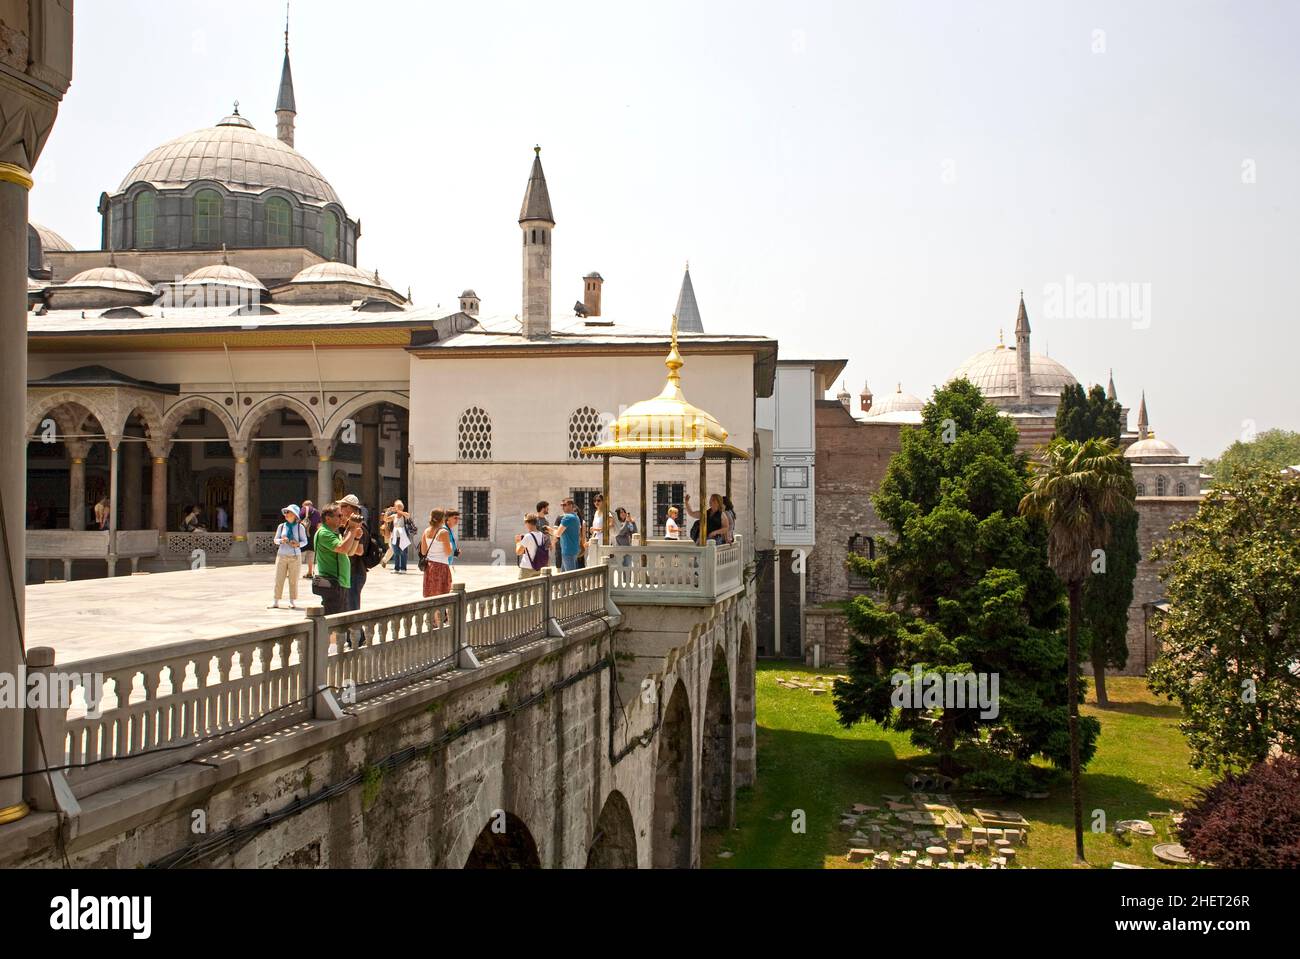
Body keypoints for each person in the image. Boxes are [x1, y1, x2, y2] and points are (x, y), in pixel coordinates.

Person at [311, 502, 358, 617]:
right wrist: (351, 529)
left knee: (341, 624)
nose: (342, 518)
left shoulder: (334, 533)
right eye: (339, 515)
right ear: (328, 518)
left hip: (341, 582)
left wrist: (355, 537)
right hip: (333, 583)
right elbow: (342, 548)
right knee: (334, 624)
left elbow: (350, 552)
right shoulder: (324, 533)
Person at [338, 494, 371, 646]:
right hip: (349, 572)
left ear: (351, 508)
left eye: (343, 506)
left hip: (356, 572)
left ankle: (359, 638)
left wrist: (350, 541)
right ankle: (351, 637)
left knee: (352, 606)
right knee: (347, 605)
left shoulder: (359, 526)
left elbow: (360, 551)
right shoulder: (349, 525)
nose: (340, 509)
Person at [269, 504, 308, 609]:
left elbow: (305, 541)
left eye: (289, 512)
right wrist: (282, 540)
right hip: (282, 555)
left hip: (295, 556)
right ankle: (276, 601)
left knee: (293, 579)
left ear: (294, 515)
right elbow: (275, 540)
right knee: (278, 578)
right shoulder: (281, 526)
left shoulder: (300, 527)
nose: (286, 514)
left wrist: (298, 544)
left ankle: (292, 601)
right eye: (285, 512)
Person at [421, 508, 452, 598]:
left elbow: (423, 551)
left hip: (429, 567)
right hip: (441, 566)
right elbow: (448, 552)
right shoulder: (443, 532)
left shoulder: (426, 531)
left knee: (431, 594)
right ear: (442, 519)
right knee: (442, 595)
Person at [515, 513, 547, 579]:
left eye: (525, 522)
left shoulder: (528, 536)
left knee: (521, 589)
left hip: (527, 568)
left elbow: (519, 552)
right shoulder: (541, 535)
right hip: (538, 567)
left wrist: (518, 542)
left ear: (527, 523)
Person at [385, 499, 413, 573]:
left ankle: (403, 569)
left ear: (402, 508)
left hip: (403, 537)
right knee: (396, 552)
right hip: (395, 536)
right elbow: (386, 520)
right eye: (397, 507)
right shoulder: (394, 516)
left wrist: (398, 510)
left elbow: (408, 516)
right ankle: (396, 568)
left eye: (400, 507)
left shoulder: (405, 515)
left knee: (403, 553)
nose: (398, 508)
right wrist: (387, 512)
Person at [556, 498, 582, 571]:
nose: (562, 507)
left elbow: (558, 534)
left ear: (571, 506)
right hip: (573, 550)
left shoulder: (567, 517)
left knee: (570, 577)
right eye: (561, 505)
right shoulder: (575, 517)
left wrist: (550, 530)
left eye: (564, 505)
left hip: (568, 551)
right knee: (564, 577)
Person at [300, 499, 321, 579]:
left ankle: (295, 571)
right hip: (313, 535)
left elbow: (297, 521)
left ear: (304, 505)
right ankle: (309, 572)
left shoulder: (302, 510)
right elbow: (319, 524)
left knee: (300, 553)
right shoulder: (316, 512)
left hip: (303, 534)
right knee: (311, 553)